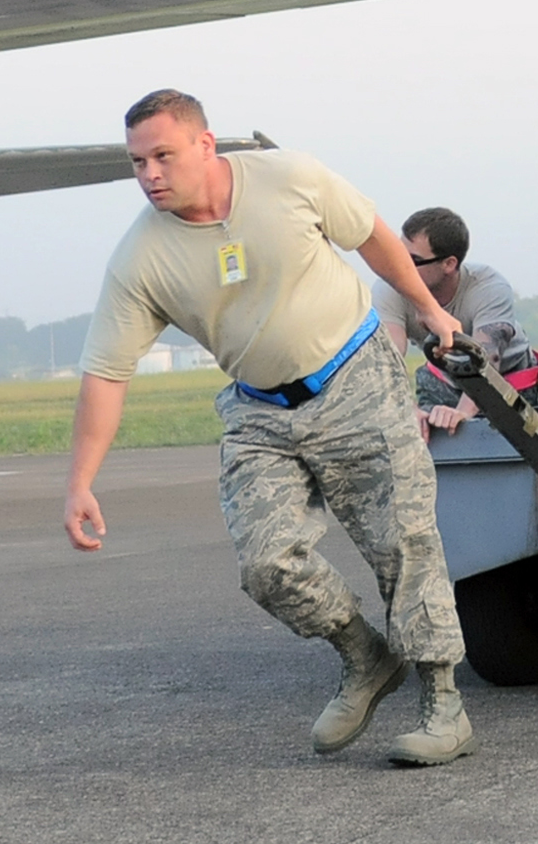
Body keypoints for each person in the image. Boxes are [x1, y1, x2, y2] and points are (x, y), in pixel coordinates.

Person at [62, 90, 476, 766]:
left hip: (355, 378)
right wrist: (80, 481)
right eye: (137, 162)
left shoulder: (288, 177)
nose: (150, 174)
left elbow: (371, 234)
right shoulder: (140, 257)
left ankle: (444, 707)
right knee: (265, 563)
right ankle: (365, 656)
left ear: (205, 144)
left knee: (403, 543)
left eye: (163, 156)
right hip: (258, 410)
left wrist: (429, 309)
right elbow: (107, 372)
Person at [372, 207, 538, 440]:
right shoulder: (389, 289)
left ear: (449, 264)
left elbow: (487, 361)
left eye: (413, 260)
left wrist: (462, 413)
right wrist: (408, 410)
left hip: (506, 378)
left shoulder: (489, 287)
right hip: (444, 377)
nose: (399, 266)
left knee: (503, 443)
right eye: (399, 253)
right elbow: (387, 359)